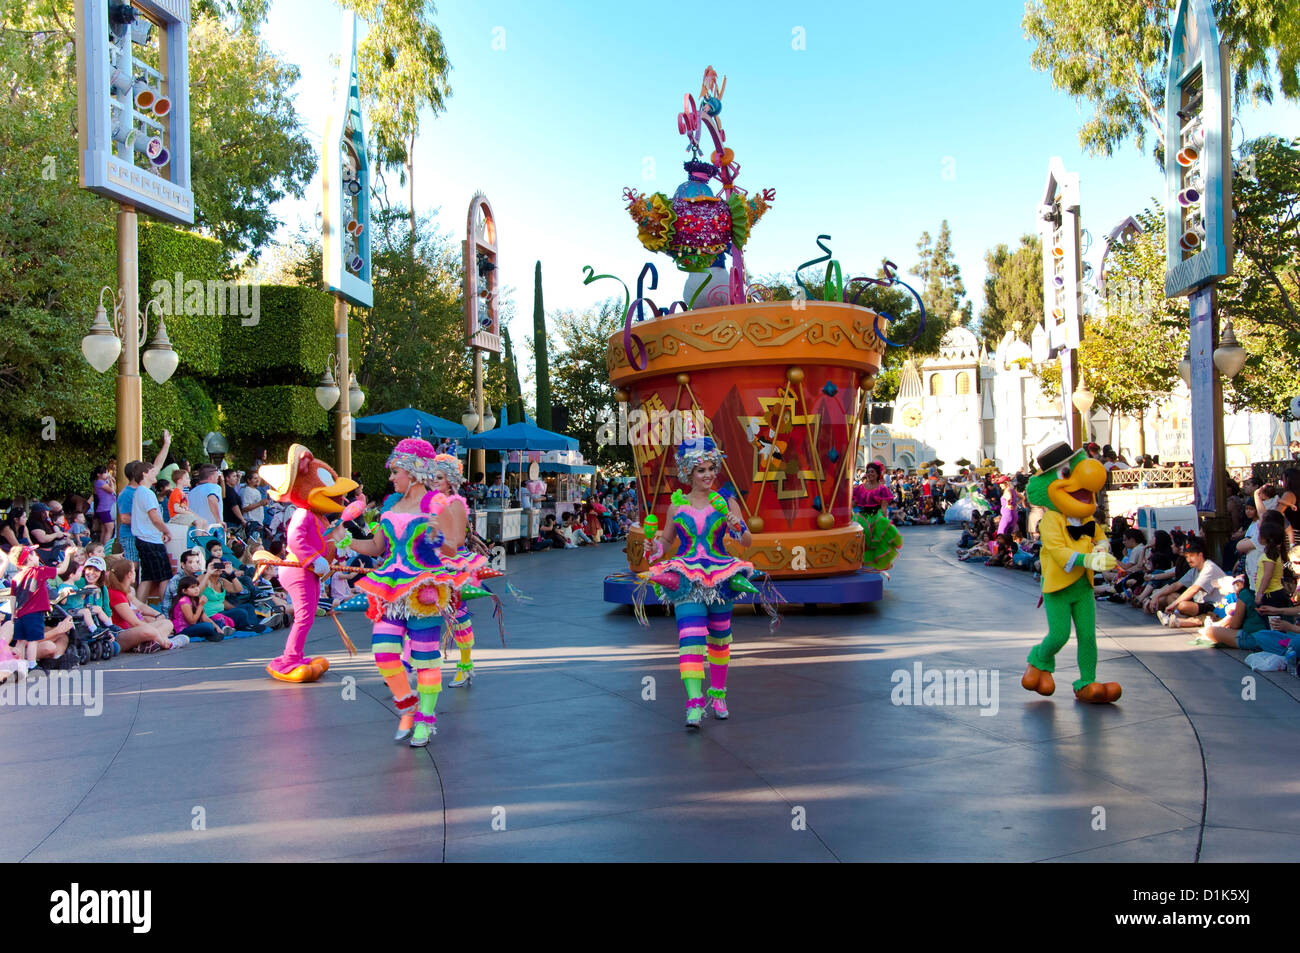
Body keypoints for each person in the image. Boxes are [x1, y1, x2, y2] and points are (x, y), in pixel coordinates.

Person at [641, 437, 765, 730]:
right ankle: (694, 704)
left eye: (711, 468)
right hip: (685, 576)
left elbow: (746, 542)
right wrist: (653, 545)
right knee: (690, 640)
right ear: (688, 472)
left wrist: (737, 526)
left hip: (722, 575)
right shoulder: (676, 506)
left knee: (720, 640)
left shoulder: (727, 501)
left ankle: (718, 696)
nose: (708, 475)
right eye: (700, 470)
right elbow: (666, 544)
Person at [350, 437, 464, 746]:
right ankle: (407, 705)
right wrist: (343, 542)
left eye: (395, 471)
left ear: (413, 472)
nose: (390, 478)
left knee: (426, 659)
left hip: (424, 591)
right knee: (384, 652)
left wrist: (440, 536)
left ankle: (425, 721)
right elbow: (376, 547)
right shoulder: (390, 506)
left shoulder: (436, 504)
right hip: (391, 590)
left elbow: (453, 545)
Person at [427, 453, 491, 688]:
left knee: (457, 616)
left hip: (450, 565)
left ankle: (465, 666)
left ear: (450, 481)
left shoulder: (455, 504)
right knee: (419, 611)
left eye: (440, 477)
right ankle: (407, 663)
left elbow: (457, 540)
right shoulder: (428, 501)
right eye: (433, 476)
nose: (434, 480)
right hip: (429, 564)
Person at [9, 544, 71, 669]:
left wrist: (12, 614)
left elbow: (12, 598)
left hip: (19, 614)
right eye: (34, 554)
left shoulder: (15, 577)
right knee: (33, 640)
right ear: (30, 558)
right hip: (34, 612)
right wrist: (68, 555)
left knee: (20, 641)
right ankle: (32, 665)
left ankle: (19, 665)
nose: (37, 556)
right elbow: (63, 569)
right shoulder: (39, 571)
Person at [105, 558, 185, 652]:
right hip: (121, 634)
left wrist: (157, 617)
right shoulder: (115, 594)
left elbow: (140, 608)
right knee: (149, 630)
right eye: (134, 571)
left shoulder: (124, 592)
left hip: (131, 630)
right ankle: (166, 643)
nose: (134, 574)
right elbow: (134, 622)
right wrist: (156, 634)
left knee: (167, 623)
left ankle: (150, 644)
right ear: (130, 574)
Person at [127, 459, 173, 604]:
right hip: (151, 540)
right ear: (145, 474)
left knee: (147, 577)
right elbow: (155, 518)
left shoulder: (139, 492)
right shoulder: (146, 493)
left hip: (143, 539)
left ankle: (138, 608)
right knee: (164, 577)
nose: (156, 474)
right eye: (153, 472)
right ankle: (167, 609)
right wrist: (166, 531)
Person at [1156, 537, 1226, 627]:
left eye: (1191, 556)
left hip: (1216, 605)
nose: (1188, 560)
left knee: (1182, 605)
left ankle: (1180, 619)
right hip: (1202, 604)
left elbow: (1194, 589)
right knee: (1170, 597)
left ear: (1200, 555)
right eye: (1186, 557)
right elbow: (1176, 585)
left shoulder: (1209, 568)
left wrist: (1174, 604)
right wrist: (1156, 596)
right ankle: (1178, 618)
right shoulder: (1194, 570)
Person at [172, 574, 231, 641]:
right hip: (183, 630)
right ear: (184, 591)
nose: (196, 589)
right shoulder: (184, 601)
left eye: (197, 586)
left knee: (216, 623)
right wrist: (201, 605)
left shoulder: (195, 599)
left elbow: (204, 617)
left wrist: (216, 627)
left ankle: (217, 630)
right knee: (208, 626)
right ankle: (212, 634)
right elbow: (192, 621)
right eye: (192, 587)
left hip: (194, 626)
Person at [188, 464, 225, 531]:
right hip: (211, 530)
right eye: (217, 475)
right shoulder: (214, 487)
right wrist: (219, 521)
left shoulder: (191, 492)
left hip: (194, 531)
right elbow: (211, 499)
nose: (218, 477)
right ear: (212, 477)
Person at [92, 465, 117, 545]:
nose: (107, 474)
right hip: (106, 509)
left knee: (104, 530)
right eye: (105, 473)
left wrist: (112, 481)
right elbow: (112, 490)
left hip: (104, 508)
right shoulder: (99, 482)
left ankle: (102, 547)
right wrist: (111, 481)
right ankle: (106, 549)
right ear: (98, 474)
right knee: (110, 529)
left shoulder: (102, 482)